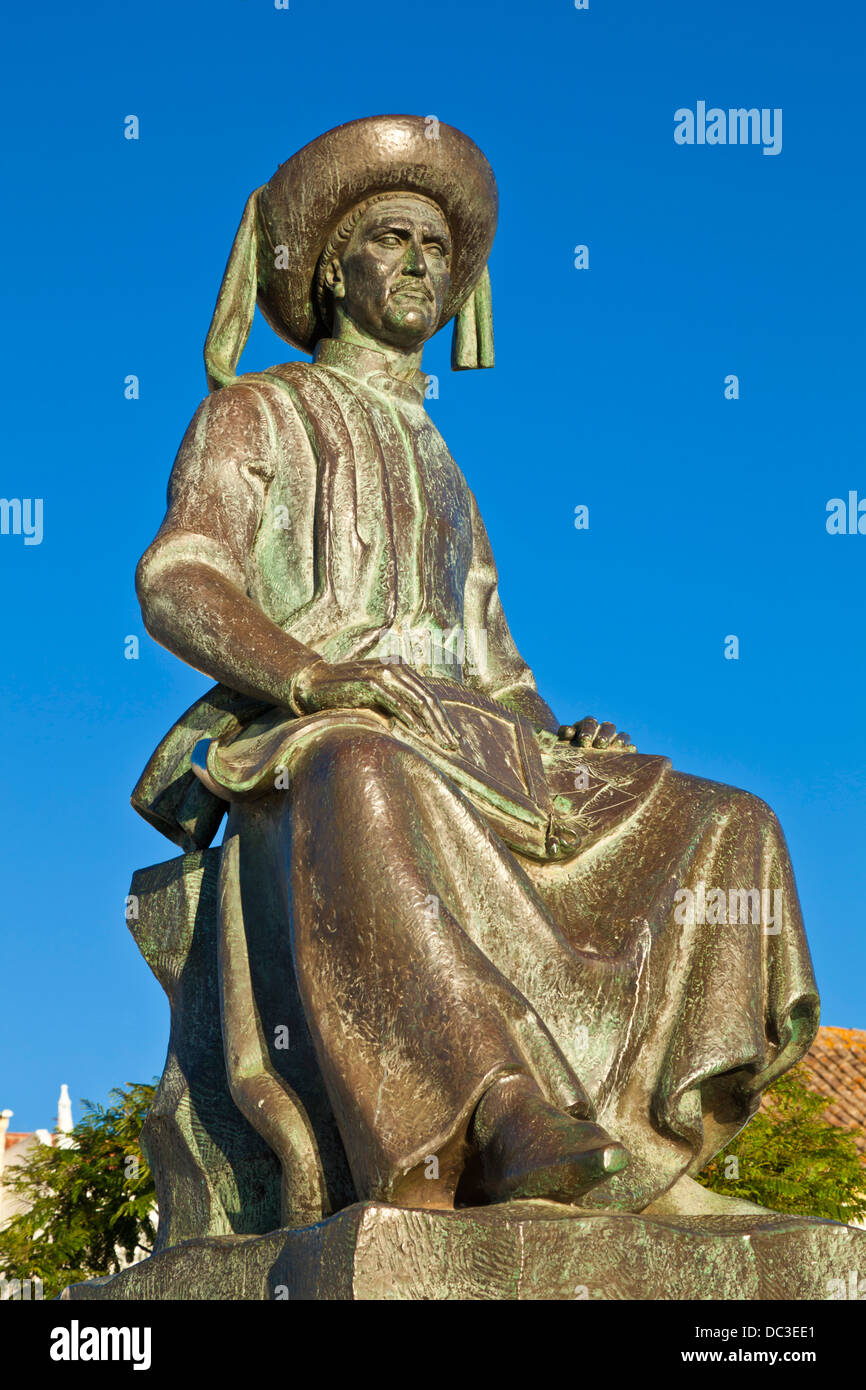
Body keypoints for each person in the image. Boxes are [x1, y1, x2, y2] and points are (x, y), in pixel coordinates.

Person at [134, 115, 819, 1224]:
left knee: (724, 818)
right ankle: (494, 1114)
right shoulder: (256, 411)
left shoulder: (441, 460)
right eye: (391, 239)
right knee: (358, 766)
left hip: (483, 744)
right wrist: (312, 679)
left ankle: (651, 1163)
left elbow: (496, 661)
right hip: (324, 730)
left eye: (437, 250)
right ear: (329, 268)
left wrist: (555, 731)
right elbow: (180, 577)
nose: (418, 265)